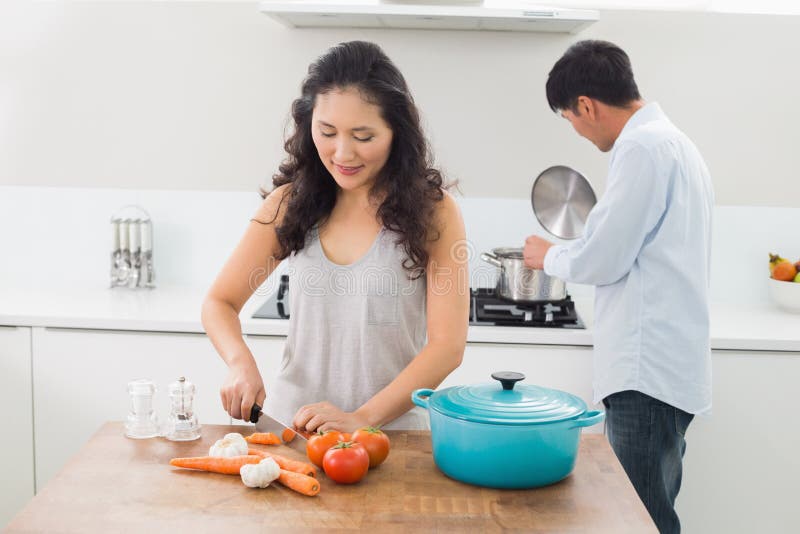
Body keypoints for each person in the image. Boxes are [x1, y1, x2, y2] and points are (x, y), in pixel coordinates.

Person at [201, 40, 469, 433]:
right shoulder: (290, 203)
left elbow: (448, 347)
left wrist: (361, 419)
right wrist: (240, 363)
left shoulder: (435, 210)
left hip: (390, 437)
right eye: (327, 132)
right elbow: (218, 303)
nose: (342, 153)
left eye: (363, 137)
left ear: (397, 133)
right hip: (295, 430)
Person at [523, 40, 713, 534]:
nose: (579, 131)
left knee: (639, 520)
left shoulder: (642, 148)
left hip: (646, 373)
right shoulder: (676, 144)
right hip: (665, 370)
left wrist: (549, 255)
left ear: (586, 104)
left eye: (571, 119)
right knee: (647, 513)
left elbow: (602, 258)